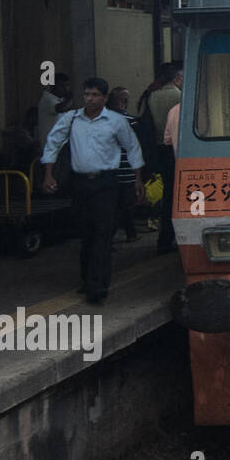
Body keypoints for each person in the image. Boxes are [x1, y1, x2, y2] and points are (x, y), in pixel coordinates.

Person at [41, 78, 144, 303]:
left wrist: (137, 179)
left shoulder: (116, 121)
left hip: (106, 183)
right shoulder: (71, 119)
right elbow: (53, 142)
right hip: (80, 183)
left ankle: (98, 286)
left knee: (103, 233)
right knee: (86, 233)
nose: (90, 99)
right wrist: (48, 174)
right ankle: (87, 279)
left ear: (105, 98)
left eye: (95, 95)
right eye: (87, 94)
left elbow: (132, 147)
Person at [146, 63, 182, 254]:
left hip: (161, 148)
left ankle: (164, 238)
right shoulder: (180, 98)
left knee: (168, 195)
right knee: (179, 196)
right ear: (177, 78)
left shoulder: (152, 96)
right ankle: (176, 237)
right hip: (177, 149)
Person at [108, 87, 140, 242]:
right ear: (125, 102)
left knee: (115, 206)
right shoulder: (130, 122)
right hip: (126, 171)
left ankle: (131, 232)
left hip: (107, 172)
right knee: (125, 205)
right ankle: (109, 238)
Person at [36, 72, 72, 155]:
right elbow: (61, 109)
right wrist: (69, 98)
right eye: (62, 86)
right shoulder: (47, 99)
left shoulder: (61, 100)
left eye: (67, 85)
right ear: (53, 87)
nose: (65, 89)